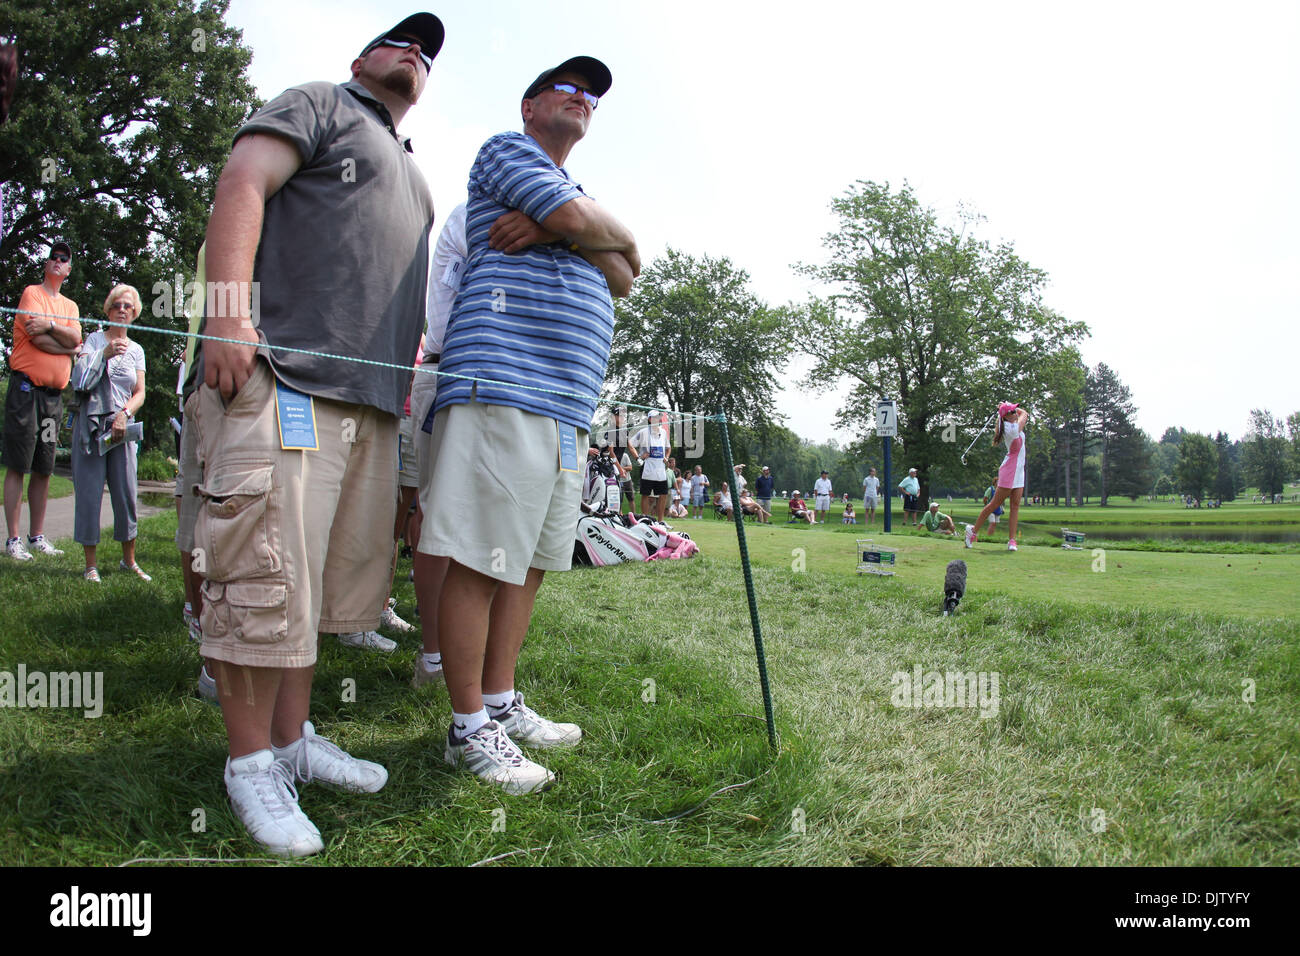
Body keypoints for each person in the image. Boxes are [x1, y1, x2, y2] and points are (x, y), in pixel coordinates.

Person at [192, 13, 444, 856]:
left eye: (428, 51)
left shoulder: (415, 175)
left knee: (312, 596)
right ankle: (248, 761)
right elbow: (242, 181)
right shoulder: (318, 104)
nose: (416, 52)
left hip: (370, 406)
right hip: (287, 380)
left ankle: (293, 739)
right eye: (401, 39)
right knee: (260, 580)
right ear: (359, 59)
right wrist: (227, 316)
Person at [419, 55, 638, 795]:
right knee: (483, 558)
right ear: (529, 104)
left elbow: (628, 270)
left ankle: (500, 702)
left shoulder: (569, 193)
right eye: (567, 88)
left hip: (567, 402)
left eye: (592, 96)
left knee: (533, 562)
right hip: (504, 378)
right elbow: (590, 231)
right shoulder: (506, 152)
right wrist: (580, 230)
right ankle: (466, 729)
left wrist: (565, 233)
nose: (582, 100)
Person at [411, 200, 466, 691]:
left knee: (478, 521)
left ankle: (469, 652)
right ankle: (432, 655)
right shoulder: (471, 213)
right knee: (435, 517)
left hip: (485, 382)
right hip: (445, 370)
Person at [4, 242, 82, 560]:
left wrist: (52, 327)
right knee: (18, 464)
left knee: (44, 466)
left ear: (68, 269)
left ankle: (37, 536)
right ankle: (12, 540)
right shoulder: (31, 294)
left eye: (63, 258)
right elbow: (36, 338)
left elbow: (75, 337)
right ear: (47, 263)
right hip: (26, 393)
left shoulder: (71, 307)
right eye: (53, 256)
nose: (57, 261)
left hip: (53, 401)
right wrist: (67, 345)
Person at [70, 285, 149, 581]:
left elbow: (140, 392)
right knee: (89, 494)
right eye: (117, 304)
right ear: (108, 309)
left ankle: (128, 561)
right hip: (90, 426)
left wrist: (124, 414)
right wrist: (103, 354)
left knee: (127, 493)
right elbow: (79, 379)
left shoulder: (138, 351)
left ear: (134, 313)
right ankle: (90, 565)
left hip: (122, 428)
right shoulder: (93, 340)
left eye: (128, 306)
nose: (122, 309)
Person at [966, 403, 1029, 551]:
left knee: (1015, 506)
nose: (1015, 412)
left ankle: (1012, 541)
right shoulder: (1011, 429)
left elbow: (1020, 413)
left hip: (1019, 471)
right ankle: (972, 532)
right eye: (1012, 411)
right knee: (994, 504)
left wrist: (1005, 407)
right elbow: (1024, 414)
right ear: (1006, 417)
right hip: (1009, 471)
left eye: (1014, 410)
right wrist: (1006, 408)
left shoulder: (1010, 423)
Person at [630, 410, 670, 521]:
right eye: (655, 418)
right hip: (647, 468)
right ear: (649, 419)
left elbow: (668, 447)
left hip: (660, 469)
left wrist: (666, 457)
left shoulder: (663, 432)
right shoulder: (643, 432)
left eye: (658, 417)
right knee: (645, 494)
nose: (657, 419)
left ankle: (660, 521)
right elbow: (630, 444)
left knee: (663, 494)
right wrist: (639, 457)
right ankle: (645, 520)